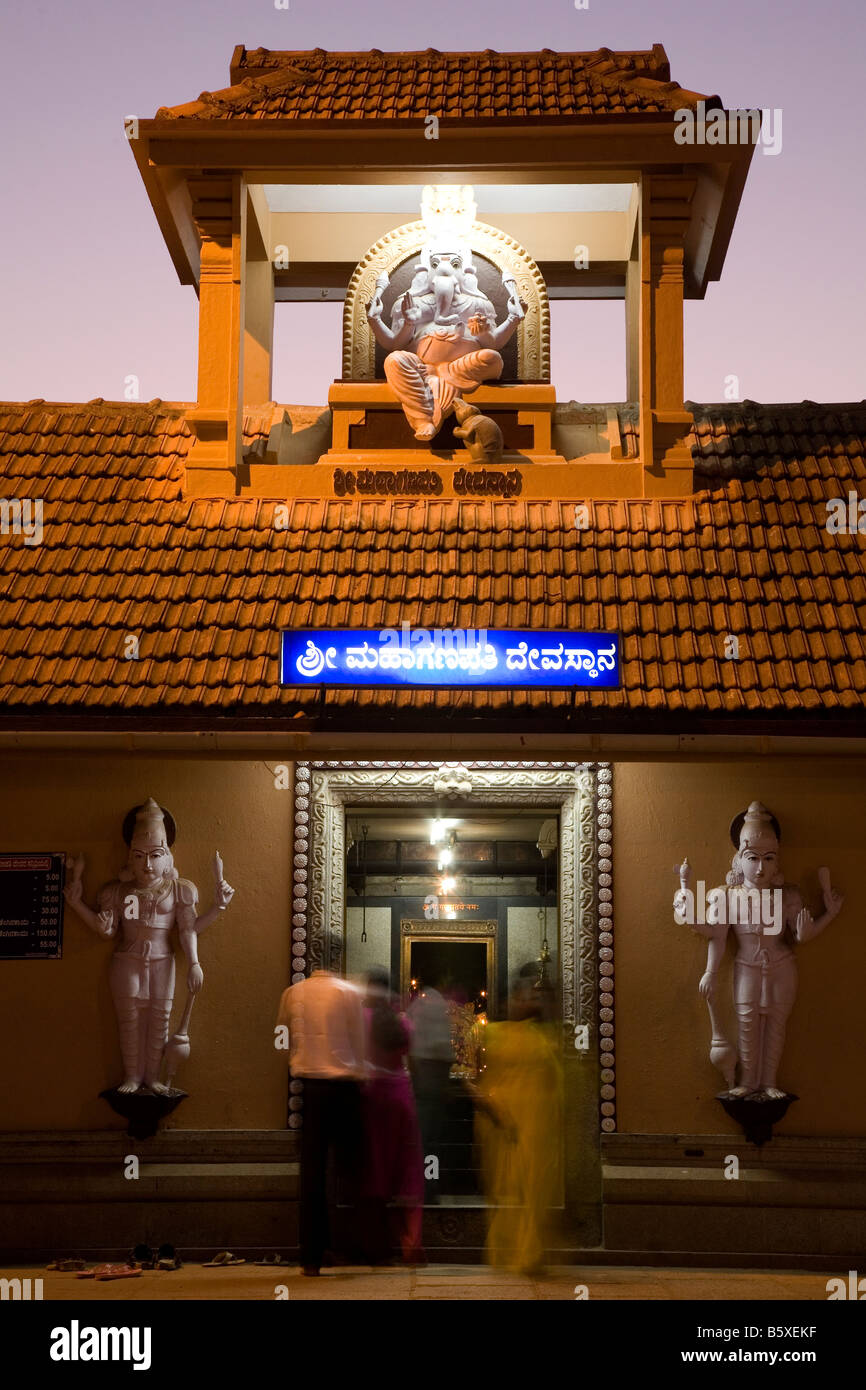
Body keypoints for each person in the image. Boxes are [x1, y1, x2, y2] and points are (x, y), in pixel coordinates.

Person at [468, 966, 563, 1275]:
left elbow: (553, 1080)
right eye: (520, 997)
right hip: (503, 1120)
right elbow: (473, 1075)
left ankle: (529, 1252)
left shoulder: (541, 1037)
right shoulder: (491, 1033)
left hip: (534, 1121)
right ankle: (511, 1251)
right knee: (507, 1189)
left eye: (530, 997)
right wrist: (487, 1104)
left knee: (531, 1188)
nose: (524, 1003)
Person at [276, 968, 366, 1276]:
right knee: (352, 1166)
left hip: (310, 1088)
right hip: (345, 1087)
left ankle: (312, 1256)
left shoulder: (293, 993)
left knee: (313, 1173)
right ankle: (353, 1246)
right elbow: (360, 1042)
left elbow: (282, 1038)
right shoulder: (348, 992)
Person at [360, 967, 425, 1265]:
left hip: (374, 1095)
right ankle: (411, 1241)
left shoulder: (361, 1020)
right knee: (409, 1169)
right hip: (402, 1095)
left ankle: (377, 1246)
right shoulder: (403, 1022)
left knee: (376, 1168)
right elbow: (412, 1057)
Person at [407, 973, 455, 1203]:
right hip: (433, 1079)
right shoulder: (436, 1004)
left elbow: (413, 1045)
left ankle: (426, 1184)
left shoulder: (419, 1004)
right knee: (431, 1139)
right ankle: (430, 1185)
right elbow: (442, 1049)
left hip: (424, 1078)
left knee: (426, 1138)